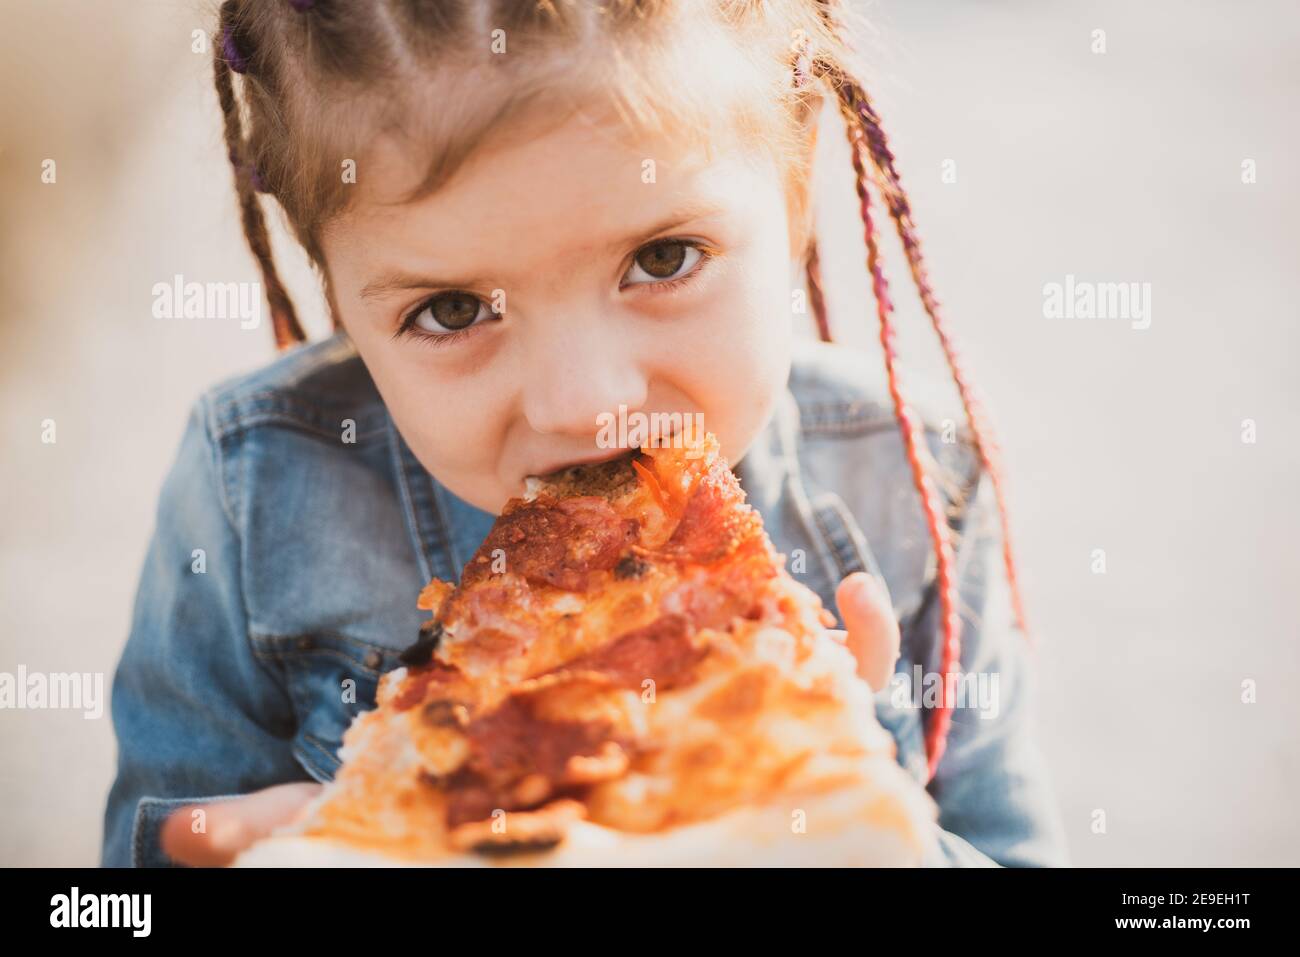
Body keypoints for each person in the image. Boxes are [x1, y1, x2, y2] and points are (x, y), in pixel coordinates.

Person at [102, 0, 1067, 868]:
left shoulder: (910, 479)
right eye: (449, 310)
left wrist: (841, 804)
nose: (583, 401)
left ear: (796, 187)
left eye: (662, 257)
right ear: (336, 292)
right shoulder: (248, 489)